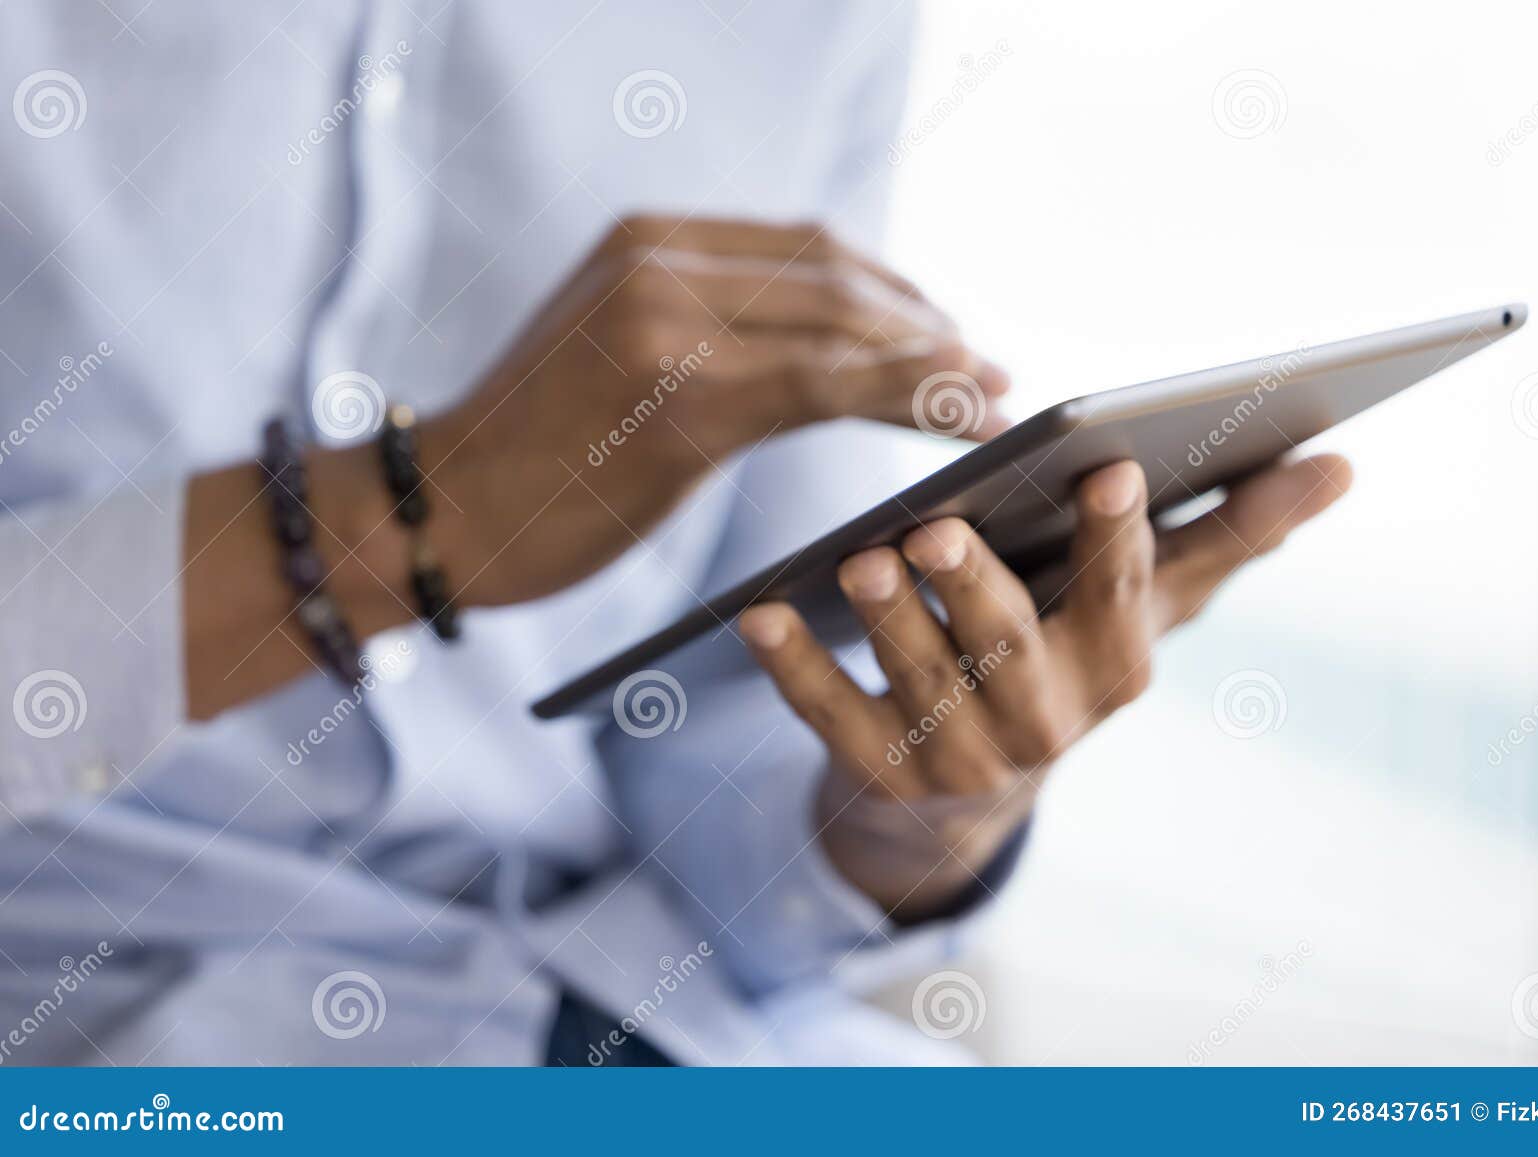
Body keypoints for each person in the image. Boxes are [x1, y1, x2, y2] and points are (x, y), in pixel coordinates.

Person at [0, 1, 1349, 1064]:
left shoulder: (818, 24)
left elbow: (720, 730)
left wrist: (907, 812)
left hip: (612, 1017)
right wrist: (413, 517)